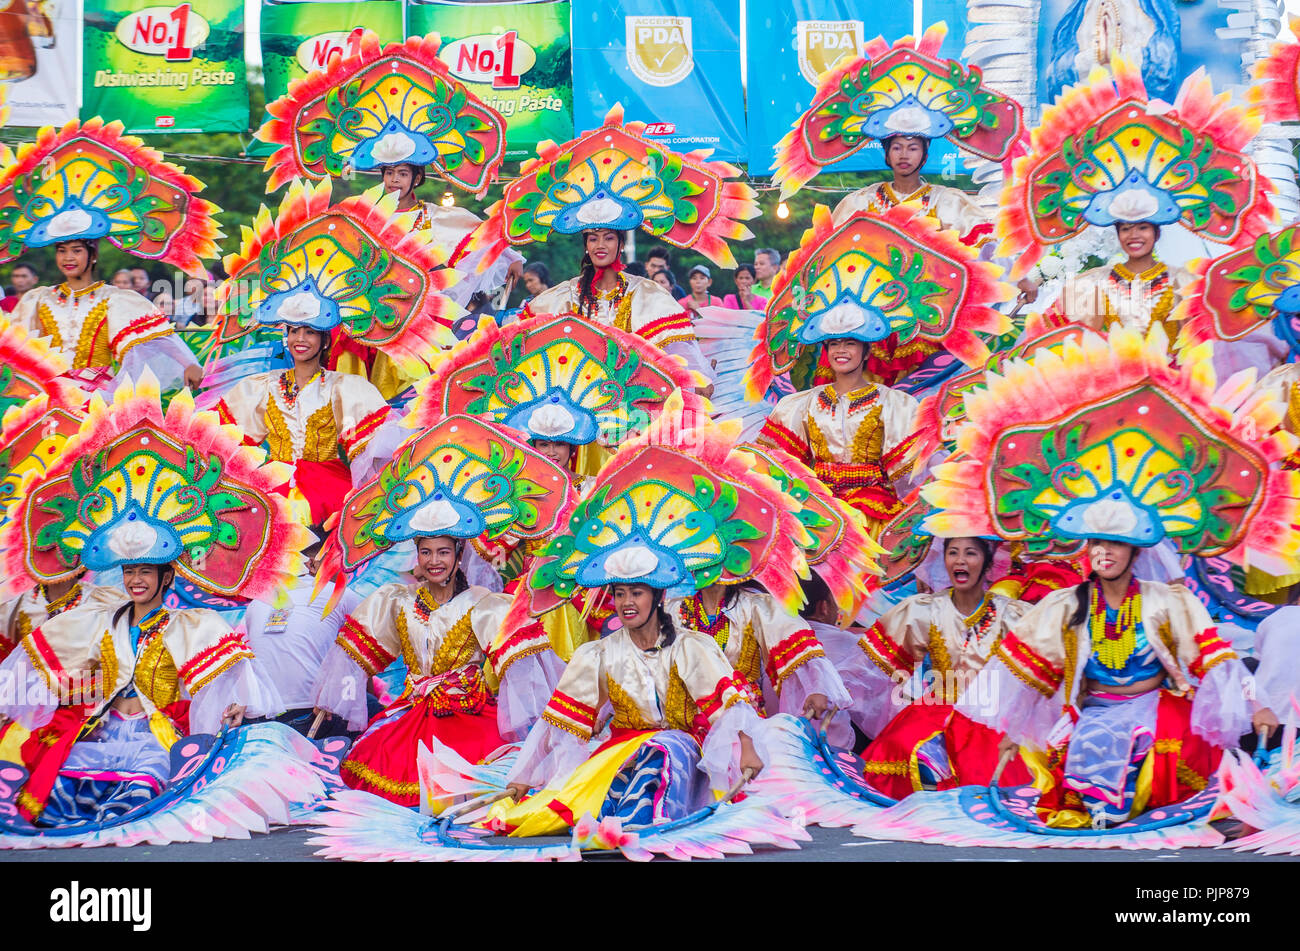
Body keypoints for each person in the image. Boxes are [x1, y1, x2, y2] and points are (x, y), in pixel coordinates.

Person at [0, 375, 305, 826]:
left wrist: (233, 709)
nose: (136, 580)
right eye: (130, 571)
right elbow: (30, 673)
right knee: (55, 789)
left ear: (167, 576)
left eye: (146, 571)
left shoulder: (191, 626)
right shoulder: (96, 619)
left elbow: (225, 694)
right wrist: (73, 685)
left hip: (156, 738)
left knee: (143, 789)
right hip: (98, 732)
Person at [307, 415, 572, 806]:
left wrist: (528, 725)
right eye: (426, 552)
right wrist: (335, 698)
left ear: (459, 555)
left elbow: (526, 671)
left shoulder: (484, 605)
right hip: (412, 716)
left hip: (471, 718)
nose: (434, 562)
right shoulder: (395, 601)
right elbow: (353, 658)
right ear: (416, 555)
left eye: (443, 552)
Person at [854, 537, 1035, 799]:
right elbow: (871, 666)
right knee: (901, 744)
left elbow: (1036, 671)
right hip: (934, 709)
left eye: (970, 553)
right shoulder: (925, 609)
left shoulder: (1012, 614)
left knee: (990, 765)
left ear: (987, 564)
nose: (960, 560)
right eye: (953, 553)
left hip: (989, 714)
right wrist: (831, 692)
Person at [215, 322, 391, 528]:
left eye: (310, 332)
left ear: (325, 341)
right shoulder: (263, 385)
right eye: (294, 331)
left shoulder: (342, 386)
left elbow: (373, 448)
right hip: (273, 485)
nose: (300, 338)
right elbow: (224, 438)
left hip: (328, 488)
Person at [759, 335, 919, 533]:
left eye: (850, 344)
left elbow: (908, 473)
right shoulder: (803, 403)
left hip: (871, 508)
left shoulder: (892, 402)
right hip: (817, 503)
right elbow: (778, 462)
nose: (840, 350)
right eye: (834, 344)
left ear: (867, 352)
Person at [13, 239, 203, 391]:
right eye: (62, 250)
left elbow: (158, 337)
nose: (68, 257)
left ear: (93, 255)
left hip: (100, 395)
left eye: (76, 250)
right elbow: (14, 343)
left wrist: (189, 363)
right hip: (51, 393)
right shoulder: (38, 298)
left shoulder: (115, 298)